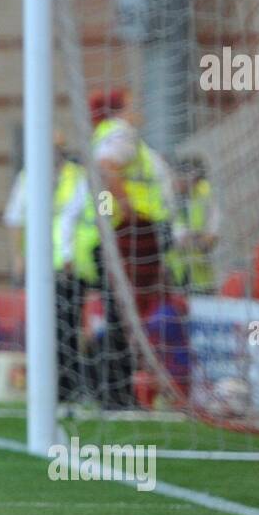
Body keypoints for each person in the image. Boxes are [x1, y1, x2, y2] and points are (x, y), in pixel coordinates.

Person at [58, 89, 172, 409]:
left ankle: (101, 385)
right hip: (126, 239)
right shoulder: (120, 133)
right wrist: (128, 210)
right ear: (117, 110)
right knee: (122, 317)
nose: (138, 109)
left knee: (120, 318)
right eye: (131, 103)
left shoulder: (108, 138)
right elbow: (108, 168)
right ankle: (113, 392)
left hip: (119, 240)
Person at [2, 131, 92, 401]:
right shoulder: (28, 178)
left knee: (68, 326)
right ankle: (47, 384)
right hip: (38, 266)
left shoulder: (79, 176)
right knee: (45, 326)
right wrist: (18, 257)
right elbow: (15, 218)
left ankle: (68, 387)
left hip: (70, 265)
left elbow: (87, 218)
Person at [166, 155, 221, 294]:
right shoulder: (164, 194)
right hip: (172, 274)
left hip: (200, 277)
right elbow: (170, 232)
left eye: (196, 181)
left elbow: (213, 229)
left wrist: (207, 238)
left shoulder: (204, 192)